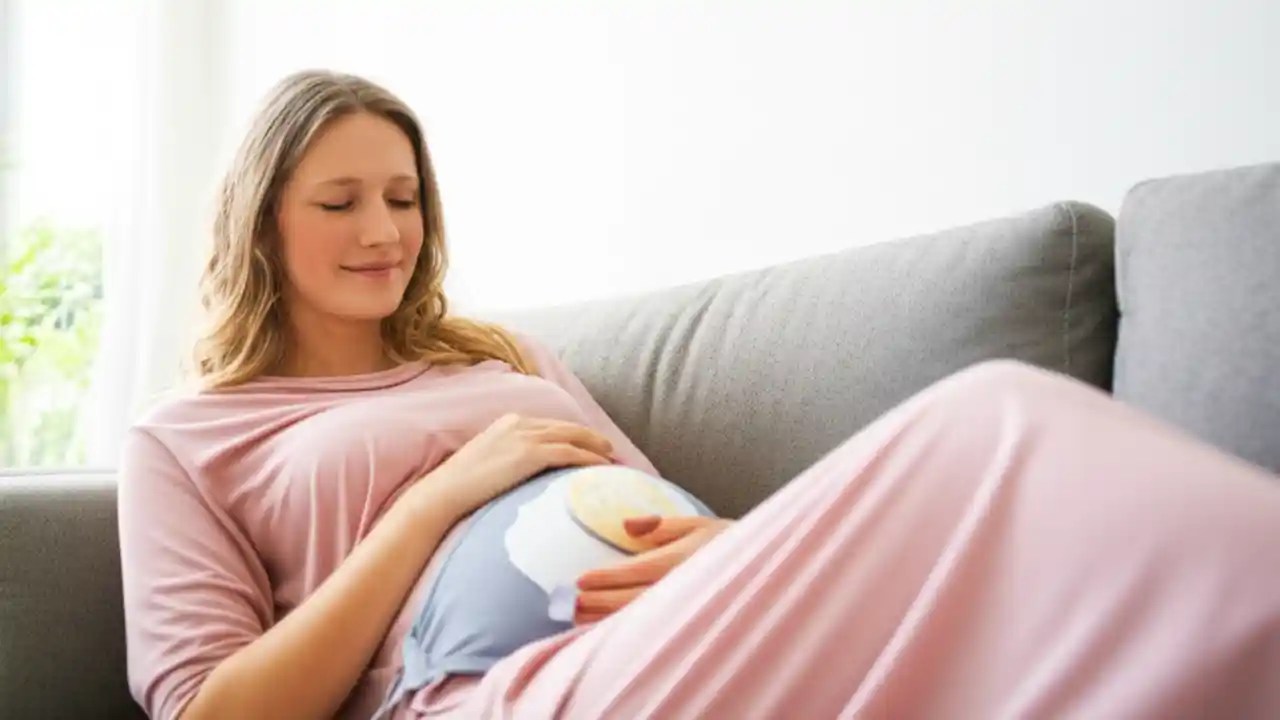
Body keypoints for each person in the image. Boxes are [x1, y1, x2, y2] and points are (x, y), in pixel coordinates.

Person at [117, 70, 1280, 720]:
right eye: (339, 203)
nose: (384, 231)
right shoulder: (187, 439)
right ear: (259, 222)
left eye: (403, 197)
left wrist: (727, 547)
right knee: (991, 422)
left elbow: (650, 498)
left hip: (678, 630)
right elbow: (213, 712)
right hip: (482, 690)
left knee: (1009, 430)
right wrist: (434, 502)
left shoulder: (498, 355)